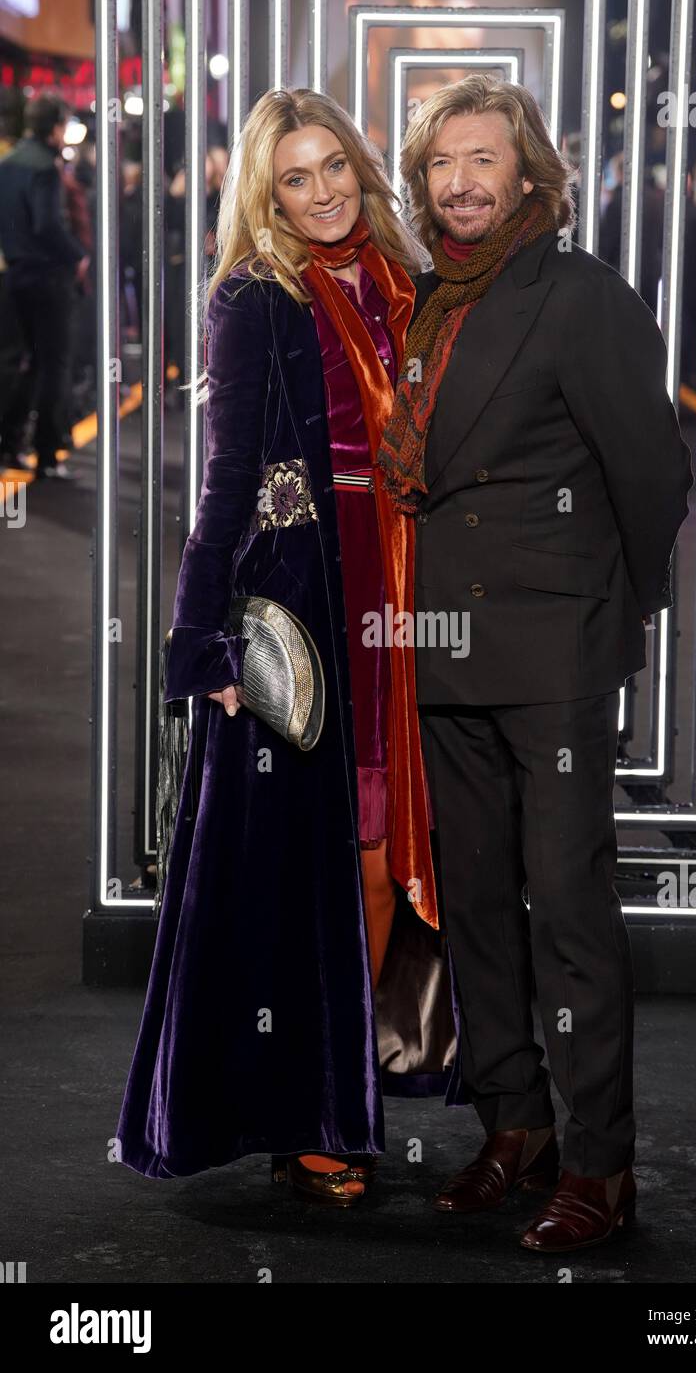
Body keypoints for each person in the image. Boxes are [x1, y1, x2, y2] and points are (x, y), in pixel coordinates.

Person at [116, 88, 462, 1205]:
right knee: (312, 861)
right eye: (294, 179)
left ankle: (341, 1080)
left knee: (384, 860)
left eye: (334, 171)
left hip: (409, 583)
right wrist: (197, 638)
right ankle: (308, 1102)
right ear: (263, 194)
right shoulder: (253, 298)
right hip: (309, 596)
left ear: (360, 171)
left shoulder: (405, 283)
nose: (320, 195)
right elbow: (222, 486)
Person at [377, 75, 694, 1252]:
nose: (459, 182)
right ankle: (515, 1129)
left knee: (566, 908)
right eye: (441, 164)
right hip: (442, 655)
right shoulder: (424, 301)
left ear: (527, 175)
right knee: (474, 909)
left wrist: (615, 625)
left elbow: (652, 480)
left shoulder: (578, 294)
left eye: (481, 160)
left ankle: (601, 1166)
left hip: (552, 655)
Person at [0, 95, 89, 480]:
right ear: (54, 127)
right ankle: (48, 452)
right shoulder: (45, 170)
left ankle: (9, 443)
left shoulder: (7, 164)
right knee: (54, 364)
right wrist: (77, 255)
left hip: (14, 273)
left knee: (21, 363)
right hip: (49, 278)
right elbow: (47, 225)